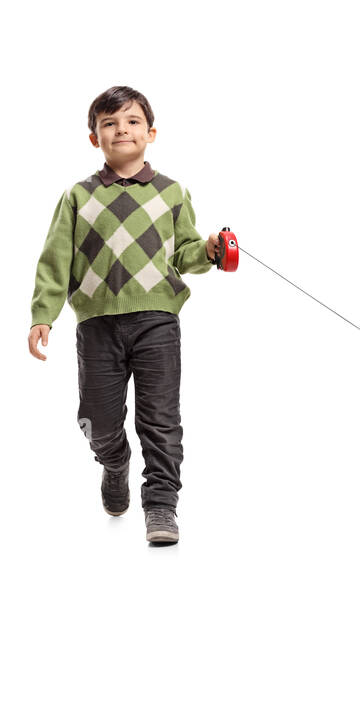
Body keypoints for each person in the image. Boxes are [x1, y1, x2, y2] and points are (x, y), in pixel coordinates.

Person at [29, 85, 223, 545]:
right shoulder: (77, 197)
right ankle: (114, 462)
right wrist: (43, 314)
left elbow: (185, 252)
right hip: (97, 324)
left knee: (160, 419)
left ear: (151, 133)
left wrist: (209, 250)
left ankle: (161, 505)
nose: (122, 130)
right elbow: (56, 260)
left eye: (133, 121)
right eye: (109, 123)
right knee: (97, 420)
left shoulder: (172, 192)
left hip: (157, 320)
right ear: (94, 137)